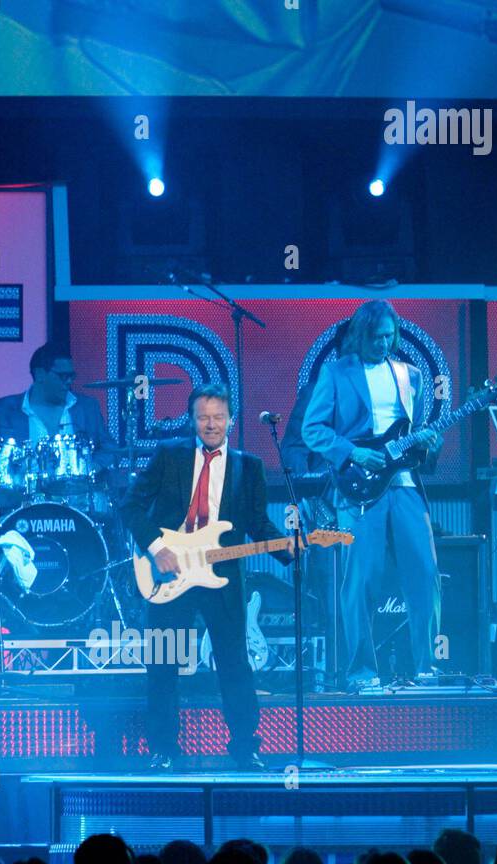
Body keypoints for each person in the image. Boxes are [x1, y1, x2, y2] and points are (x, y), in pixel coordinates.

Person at [121, 382, 293, 772]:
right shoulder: (169, 456)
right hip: (169, 574)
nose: (211, 425)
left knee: (234, 664)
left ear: (230, 420)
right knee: (164, 664)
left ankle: (245, 749)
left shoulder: (247, 467)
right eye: (203, 417)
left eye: (218, 417)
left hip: (222, 577)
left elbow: (258, 522)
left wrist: (284, 547)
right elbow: (130, 504)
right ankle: (164, 749)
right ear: (192, 420)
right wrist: (155, 547)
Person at [301, 300, 442, 693]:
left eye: (390, 336)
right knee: (361, 579)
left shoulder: (409, 374)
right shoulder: (336, 373)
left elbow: (410, 436)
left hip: (405, 485)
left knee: (426, 574)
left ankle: (425, 668)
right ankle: (362, 671)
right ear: (362, 334)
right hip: (360, 488)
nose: (384, 343)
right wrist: (352, 451)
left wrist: (429, 442)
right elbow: (312, 431)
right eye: (377, 336)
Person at [0, 340, 116, 466]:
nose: (69, 381)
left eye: (72, 376)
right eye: (63, 376)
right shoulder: (0, 411)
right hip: (21, 489)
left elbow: (110, 449)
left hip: (77, 489)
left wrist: (93, 467)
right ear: (40, 374)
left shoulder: (88, 407)